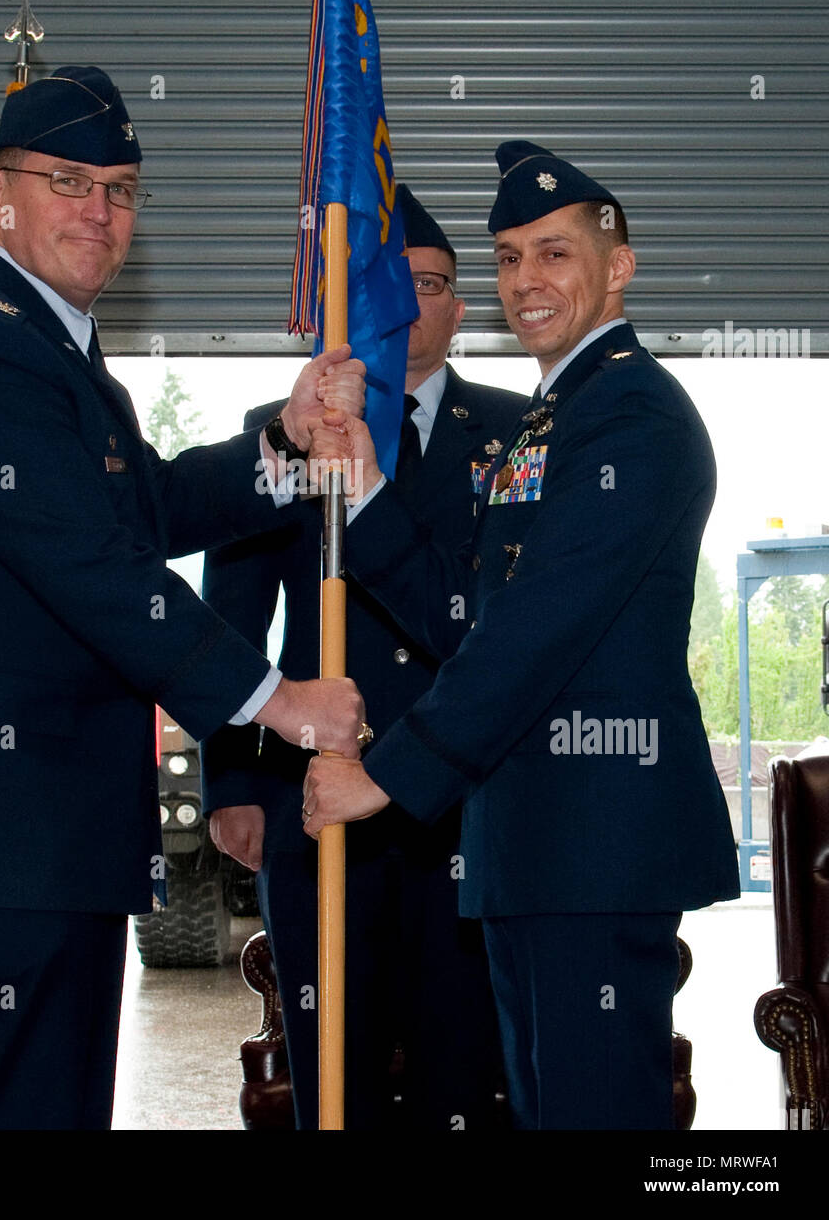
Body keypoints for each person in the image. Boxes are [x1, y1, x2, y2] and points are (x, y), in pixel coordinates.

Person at [0, 65, 366, 1130]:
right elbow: (94, 569)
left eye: (121, 189)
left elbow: (147, 507)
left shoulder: (48, 347)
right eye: (68, 180)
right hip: (3, 829)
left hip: (39, 829)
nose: (100, 210)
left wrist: (280, 434)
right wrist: (278, 699)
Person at [303, 141, 740, 1130]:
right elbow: (471, 612)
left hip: (594, 839)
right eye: (505, 259)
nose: (522, 281)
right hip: (531, 843)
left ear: (616, 265)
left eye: (551, 253)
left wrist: (386, 775)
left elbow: (539, 627)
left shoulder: (632, 416)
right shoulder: (549, 423)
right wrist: (364, 484)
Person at [202, 185, 527, 1130]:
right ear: (355, 303)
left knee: (459, 1071)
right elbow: (233, 613)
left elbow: (512, 626)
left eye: (432, 285)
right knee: (331, 1077)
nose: (409, 305)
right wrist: (232, 781)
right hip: (316, 803)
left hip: (456, 804)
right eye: (391, 285)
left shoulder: (510, 436)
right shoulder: (291, 427)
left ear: (460, 310)